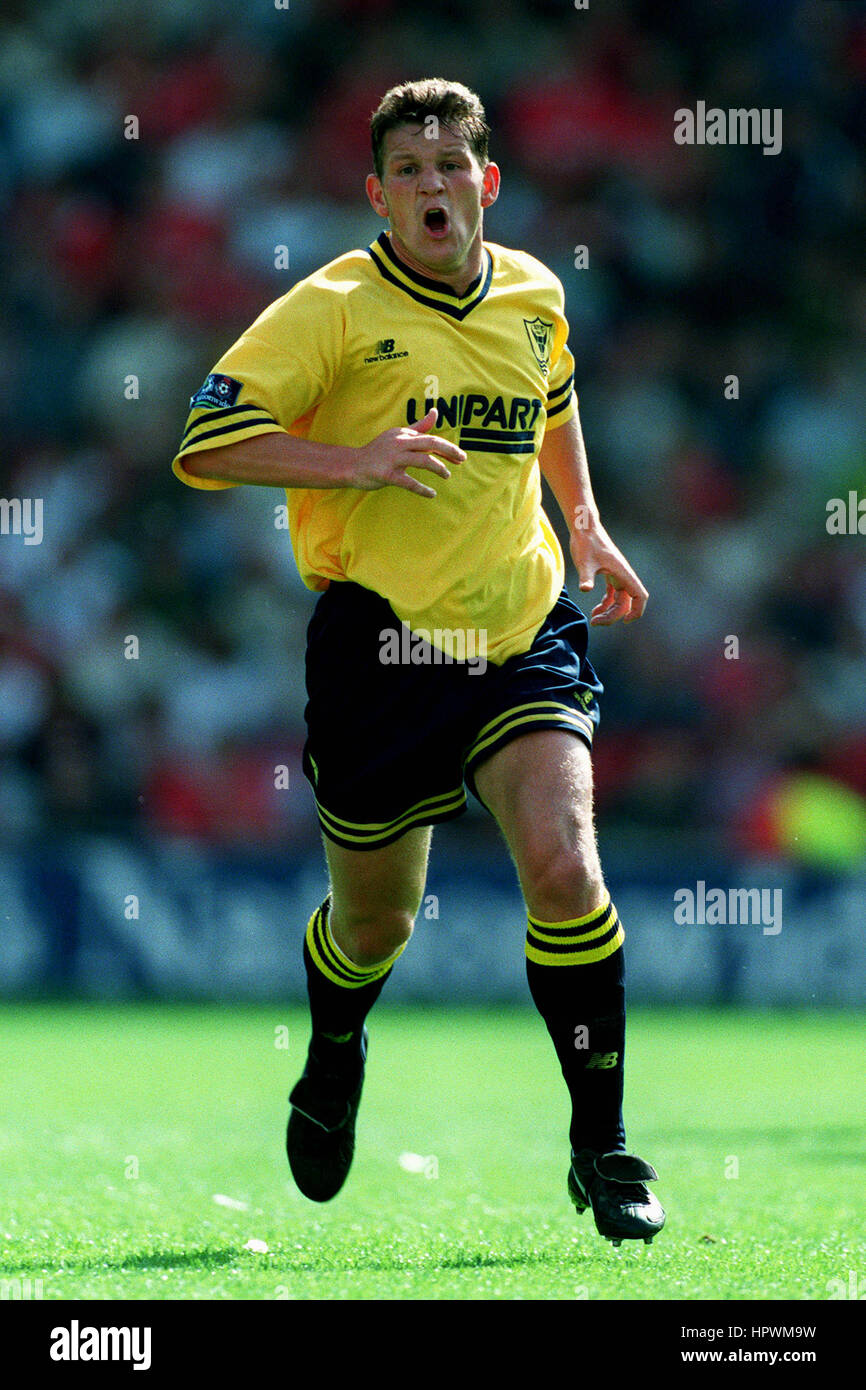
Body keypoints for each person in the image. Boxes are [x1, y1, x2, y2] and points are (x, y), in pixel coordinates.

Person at [171, 78, 664, 1246]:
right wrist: (351, 462)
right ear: (376, 194)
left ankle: (601, 1144)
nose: (433, 188)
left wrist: (582, 520)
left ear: (486, 183)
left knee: (563, 870)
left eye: (452, 167)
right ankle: (335, 1047)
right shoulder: (330, 306)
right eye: (409, 173)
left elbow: (553, 397)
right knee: (376, 926)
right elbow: (202, 441)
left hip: (519, 630)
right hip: (380, 647)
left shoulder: (536, 293)